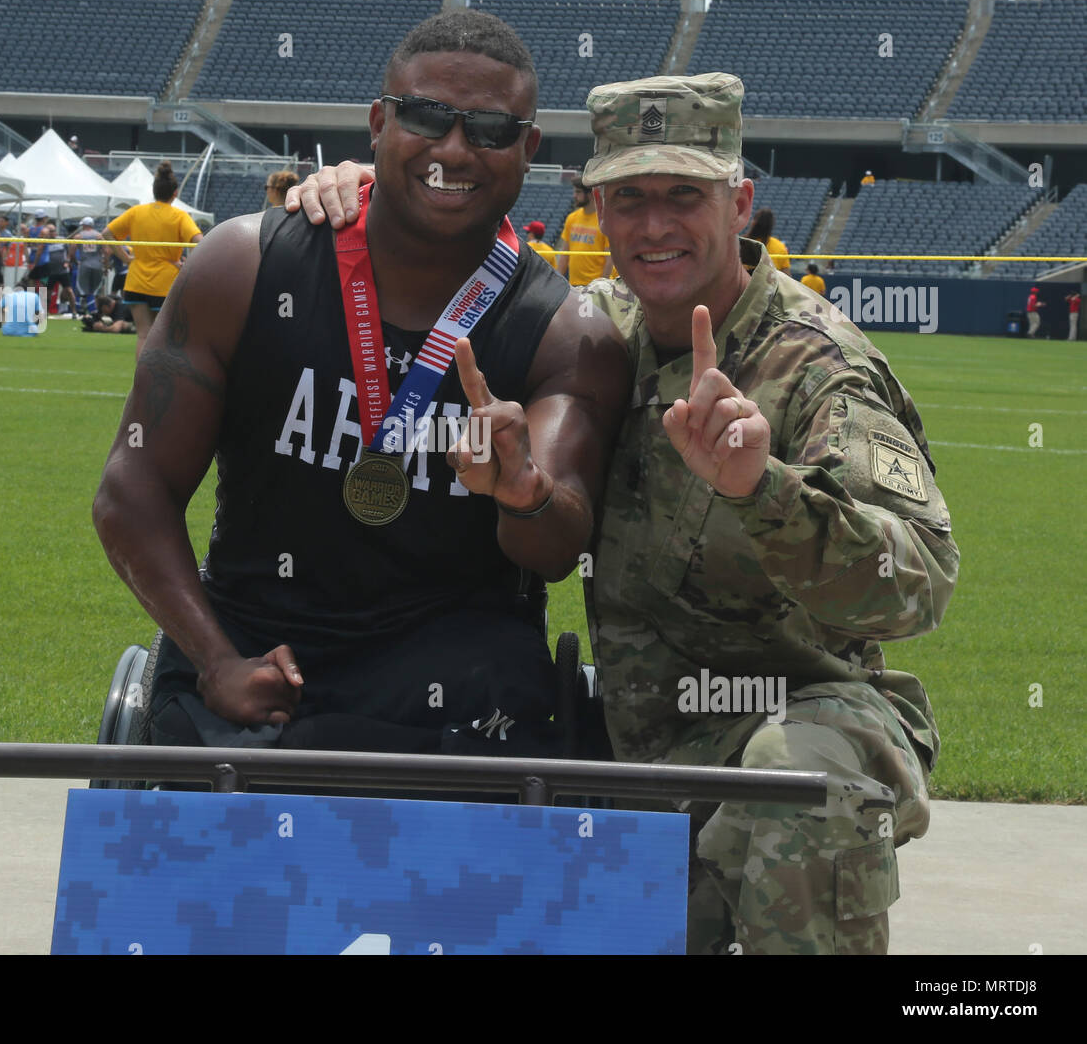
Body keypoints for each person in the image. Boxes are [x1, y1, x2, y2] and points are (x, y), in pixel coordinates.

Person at [288, 71, 958, 956]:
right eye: (629, 198)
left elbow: (916, 587)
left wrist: (765, 493)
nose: (654, 225)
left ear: (741, 202)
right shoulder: (596, 331)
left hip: (799, 719)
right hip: (643, 758)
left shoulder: (817, 364)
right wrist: (353, 194)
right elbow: (438, 282)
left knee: (797, 785)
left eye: (685, 195)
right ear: (596, 210)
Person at [92, 9, 628, 761]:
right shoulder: (240, 268)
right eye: (426, 117)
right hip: (254, 645)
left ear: (529, 148)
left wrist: (524, 493)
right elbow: (131, 490)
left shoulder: (571, 332)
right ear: (378, 124)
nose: (454, 148)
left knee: (506, 722)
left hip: (459, 675)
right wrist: (215, 659)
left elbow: (552, 548)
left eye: (490, 129)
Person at [101, 161, 203, 357]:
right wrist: (185, 265)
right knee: (165, 337)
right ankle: (159, 381)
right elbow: (201, 241)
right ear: (175, 193)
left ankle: (143, 383)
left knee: (143, 336)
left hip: (136, 282)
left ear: (154, 191)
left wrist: (126, 258)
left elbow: (106, 234)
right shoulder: (180, 216)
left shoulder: (136, 212)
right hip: (164, 284)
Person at [556, 176, 610, 285]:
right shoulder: (571, 218)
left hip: (597, 287)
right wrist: (557, 282)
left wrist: (603, 286)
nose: (574, 196)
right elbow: (564, 254)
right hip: (574, 285)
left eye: (578, 192)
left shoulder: (605, 221)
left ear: (590, 194)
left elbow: (610, 259)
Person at [71, 215, 107, 315]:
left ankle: (83, 310)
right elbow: (107, 251)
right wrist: (106, 265)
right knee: (96, 290)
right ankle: (94, 310)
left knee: (82, 289)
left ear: (84, 225)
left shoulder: (78, 236)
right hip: (97, 264)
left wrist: (74, 261)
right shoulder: (99, 236)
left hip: (84, 264)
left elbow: (72, 251)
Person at [745, 207, 789, 275]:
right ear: (771, 225)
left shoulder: (741, 243)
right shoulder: (780, 246)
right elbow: (787, 276)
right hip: (771, 283)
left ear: (754, 222)